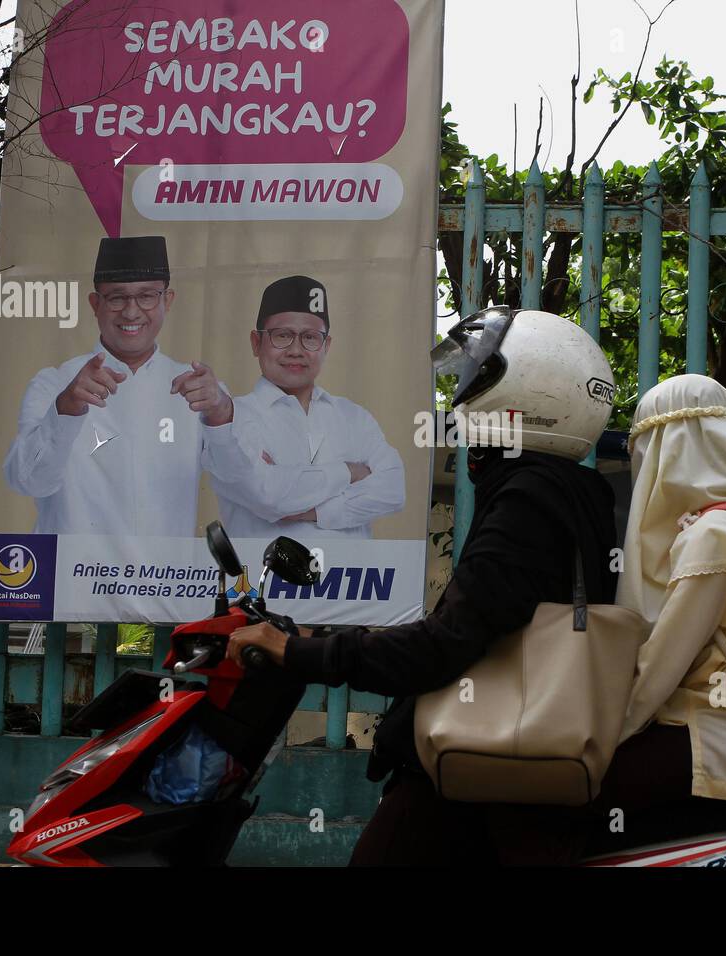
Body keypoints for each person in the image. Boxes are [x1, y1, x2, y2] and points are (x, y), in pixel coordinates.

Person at [225, 307, 622, 864]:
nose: (460, 393)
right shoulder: (579, 494)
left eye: (476, 377)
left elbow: (444, 647)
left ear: (524, 389)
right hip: (523, 760)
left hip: (479, 764)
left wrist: (293, 650)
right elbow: (484, 622)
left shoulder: (529, 500)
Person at [615, 373, 726, 810]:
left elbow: (658, 671)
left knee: (569, 793)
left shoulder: (713, 537)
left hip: (719, 742)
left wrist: (601, 734)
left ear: (670, 450)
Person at [3, 236, 230, 535]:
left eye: (147, 296)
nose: (132, 312)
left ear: (168, 300)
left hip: (162, 579)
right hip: (73, 578)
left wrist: (223, 414)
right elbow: (27, 480)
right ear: (95, 304)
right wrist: (66, 409)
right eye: (117, 298)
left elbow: (245, 487)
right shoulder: (56, 384)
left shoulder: (201, 391)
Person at [200, 275, 405, 540]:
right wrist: (349, 472)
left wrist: (310, 509)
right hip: (264, 580)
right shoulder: (230, 419)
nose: (296, 350)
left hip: (349, 580)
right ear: (256, 342)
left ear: (326, 346)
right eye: (282, 335)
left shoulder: (354, 417)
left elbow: (393, 490)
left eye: (310, 337)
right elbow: (268, 496)